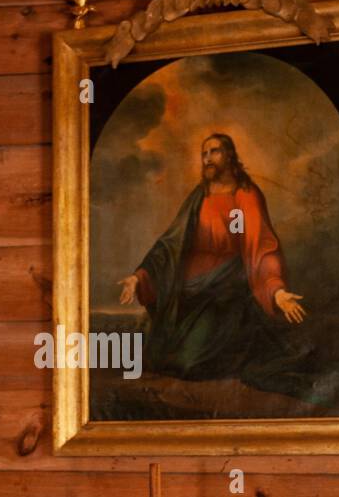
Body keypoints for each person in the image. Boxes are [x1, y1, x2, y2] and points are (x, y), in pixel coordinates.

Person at [116, 132, 319, 398]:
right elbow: (169, 244)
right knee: (157, 358)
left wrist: (276, 290)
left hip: (224, 294)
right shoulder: (199, 196)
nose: (208, 158)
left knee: (190, 364)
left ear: (230, 156)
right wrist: (139, 277)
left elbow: (262, 248)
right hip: (187, 292)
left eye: (215, 152)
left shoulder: (245, 195)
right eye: (204, 153)